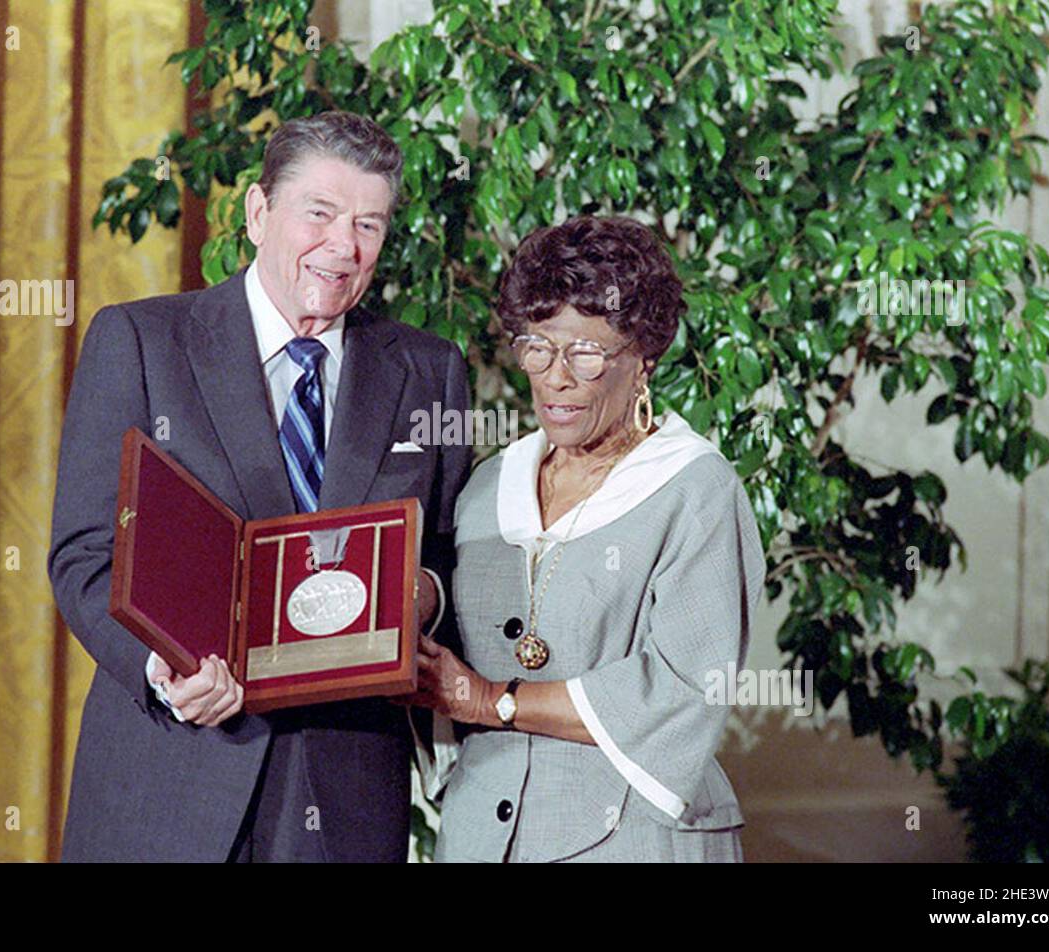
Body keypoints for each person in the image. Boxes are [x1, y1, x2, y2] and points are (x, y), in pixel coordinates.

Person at [48, 111, 472, 862]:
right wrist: (164, 669)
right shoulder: (141, 342)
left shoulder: (429, 371)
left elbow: (447, 553)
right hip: (167, 777)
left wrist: (422, 596)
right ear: (257, 212)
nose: (343, 247)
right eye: (320, 213)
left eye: (369, 225)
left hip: (343, 793)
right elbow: (84, 555)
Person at [405, 215, 766, 862]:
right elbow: (446, 661)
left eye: (586, 353)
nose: (555, 378)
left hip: (634, 839)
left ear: (644, 359)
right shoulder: (491, 487)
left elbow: (686, 687)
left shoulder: (693, 489)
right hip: (481, 838)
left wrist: (495, 701)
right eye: (536, 348)